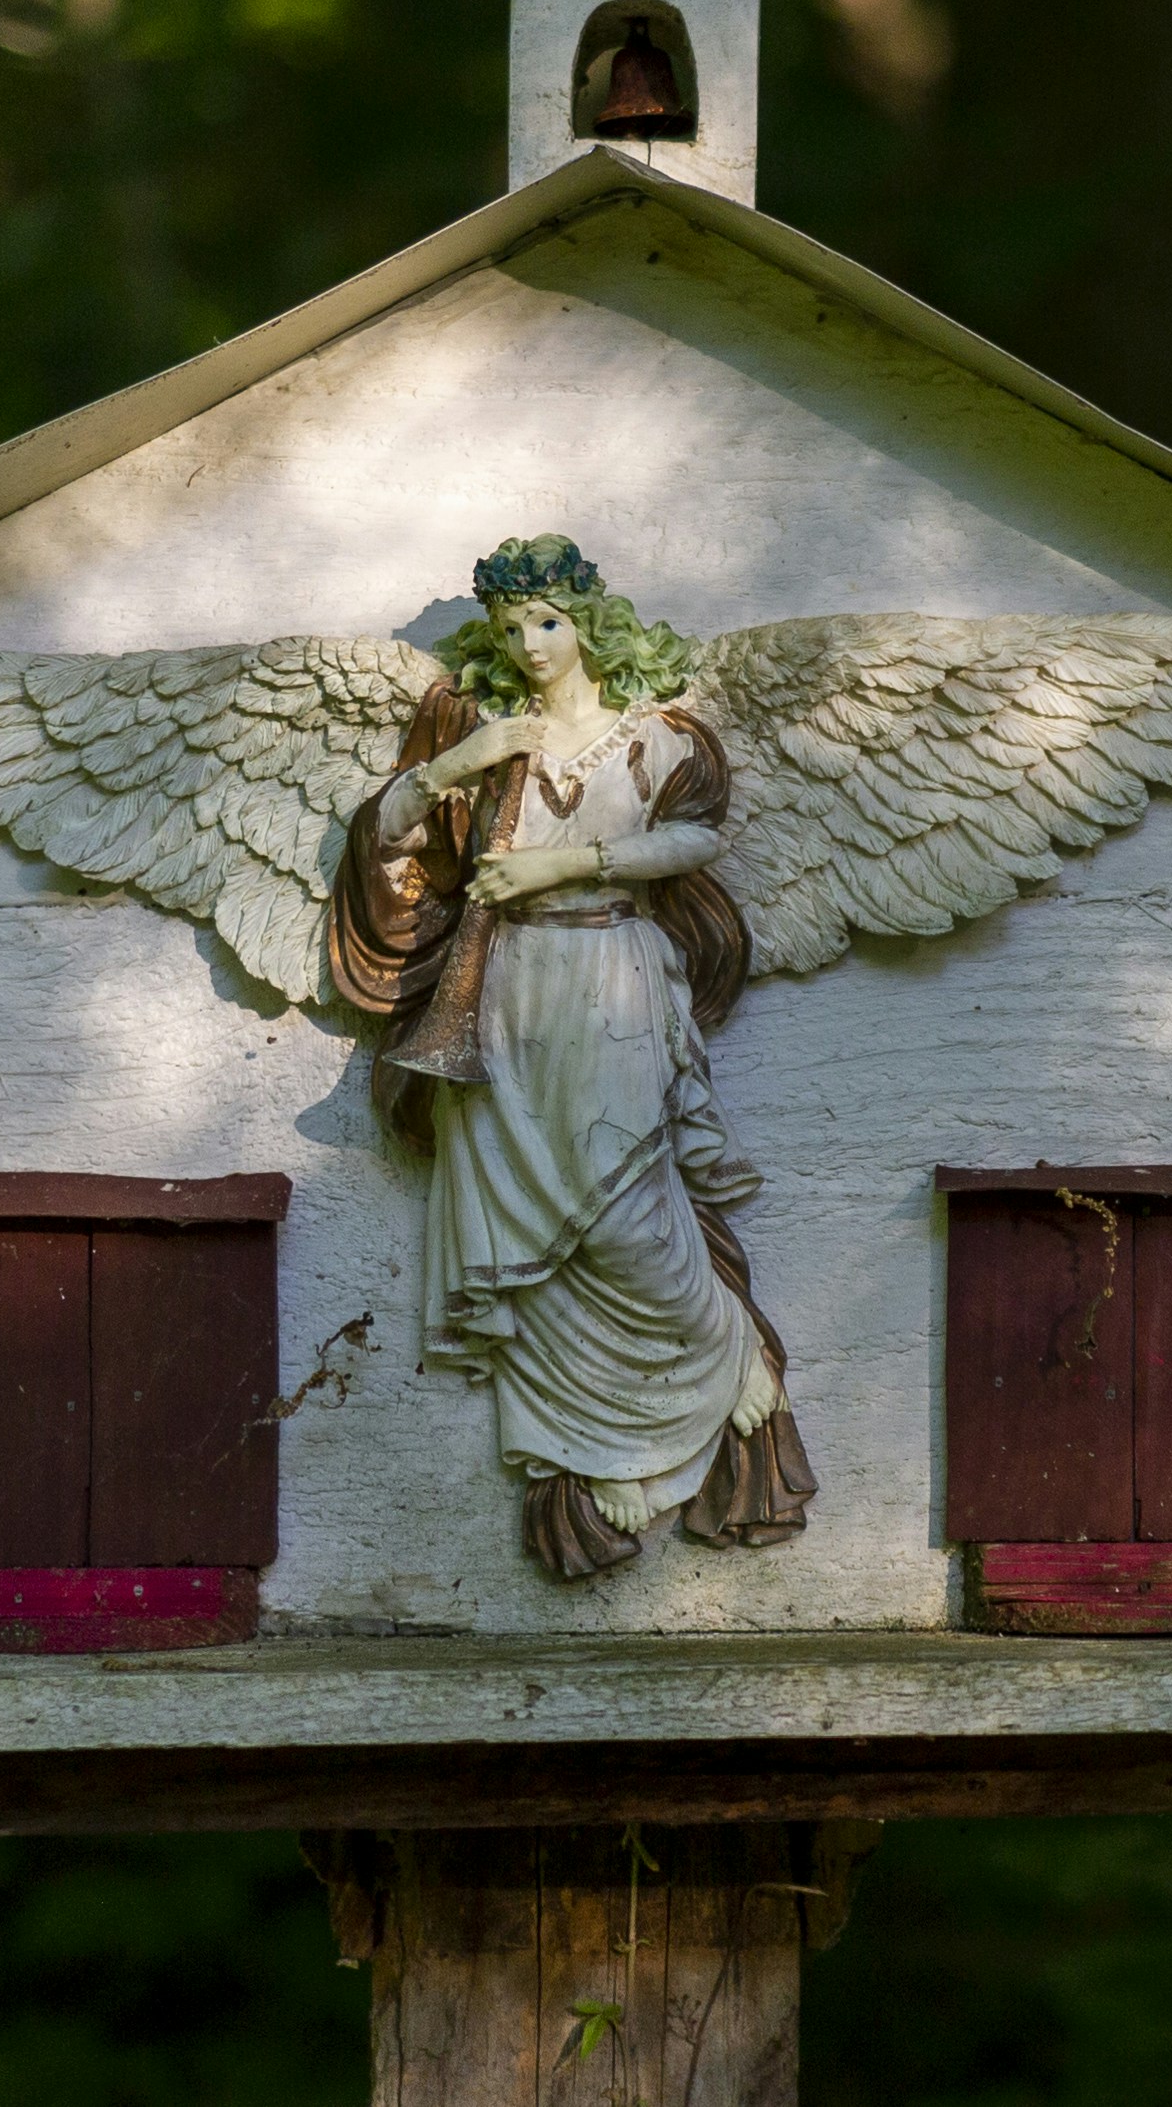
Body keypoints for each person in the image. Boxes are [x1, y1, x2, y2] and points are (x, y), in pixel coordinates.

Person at [330, 533, 816, 1577]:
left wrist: (566, 861)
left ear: (588, 625)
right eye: (511, 628)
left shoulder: (651, 739)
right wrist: (457, 762)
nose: (531, 643)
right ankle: (605, 1456)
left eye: (547, 620)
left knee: (627, 1201)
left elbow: (694, 840)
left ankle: (726, 1354)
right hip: (503, 993)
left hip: (612, 977)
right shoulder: (488, 740)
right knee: (534, 1226)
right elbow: (390, 836)